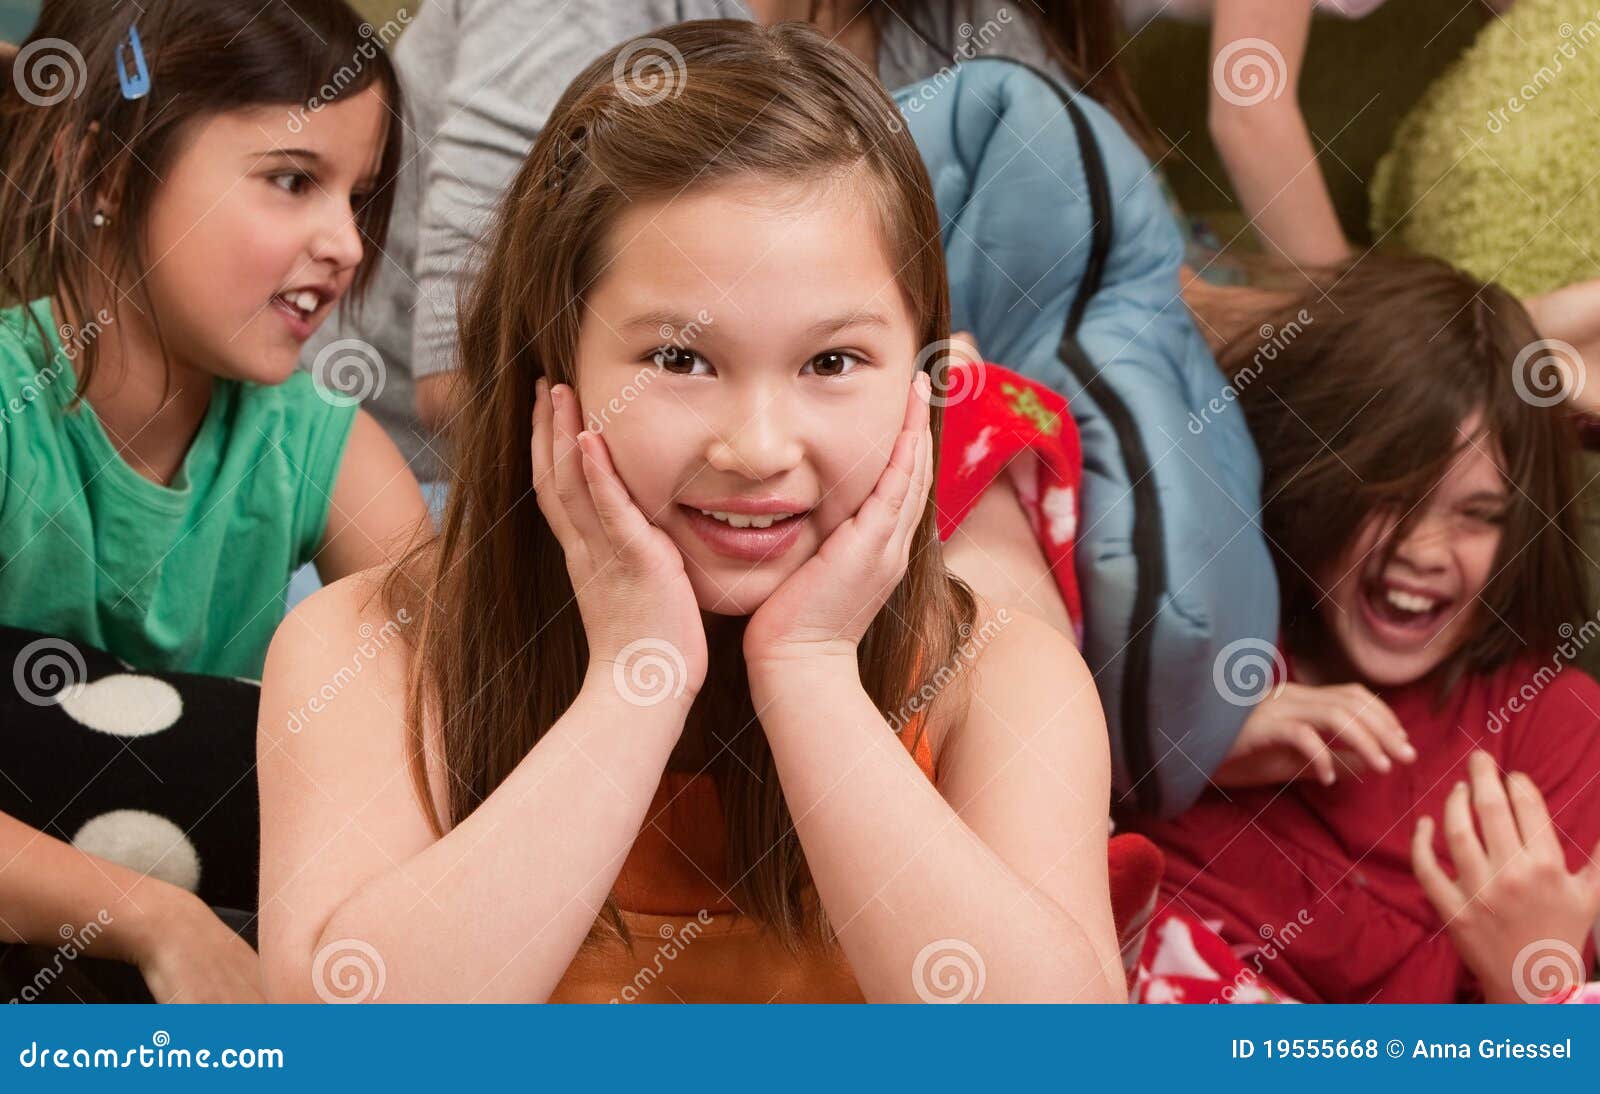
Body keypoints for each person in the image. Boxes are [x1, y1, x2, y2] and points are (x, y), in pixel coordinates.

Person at [258, 19, 1124, 1004]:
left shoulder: (1000, 680)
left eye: (830, 362)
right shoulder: (367, 654)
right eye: (679, 359)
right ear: (554, 365)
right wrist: (636, 677)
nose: (756, 448)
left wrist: (811, 677)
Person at [0, 0, 426, 1001]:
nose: (347, 244)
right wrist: (152, 917)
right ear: (107, 172)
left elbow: (453, 684)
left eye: (357, 197)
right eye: (291, 180)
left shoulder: (320, 442)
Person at [1131, 255, 1600, 1003]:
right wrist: (1177, 751)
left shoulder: (1553, 723)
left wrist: (1534, 982)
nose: (1422, 551)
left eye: (1479, 516)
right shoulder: (1187, 639)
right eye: (1391, 498)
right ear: (1315, 481)